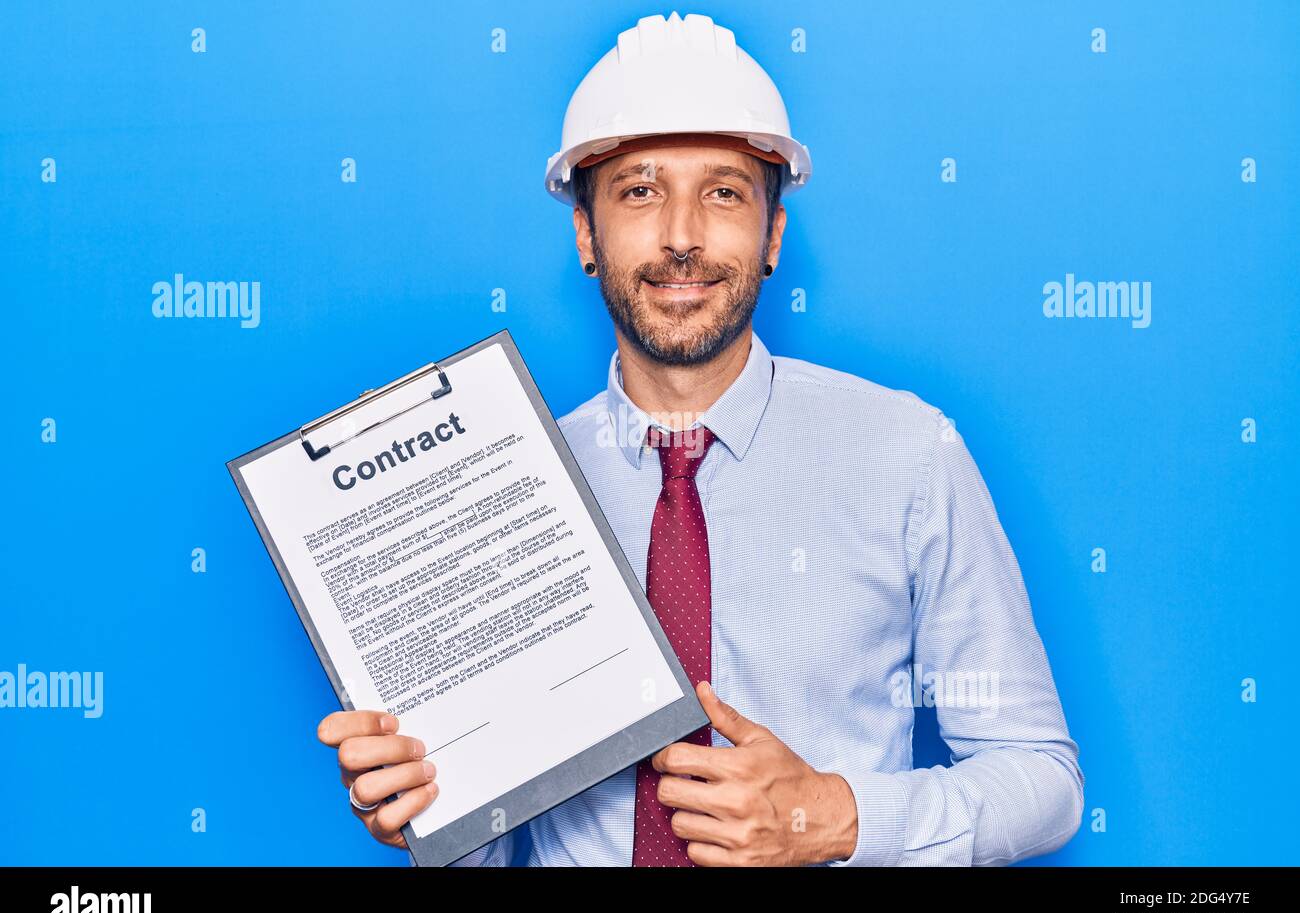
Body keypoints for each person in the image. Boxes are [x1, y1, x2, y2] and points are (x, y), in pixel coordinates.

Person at [316, 11, 1084, 867]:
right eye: (640, 191)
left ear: (773, 236)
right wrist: (433, 808)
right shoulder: (507, 492)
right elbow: (495, 852)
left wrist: (833, 815)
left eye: (723, 191)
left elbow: (1042, 780)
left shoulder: (906, 452)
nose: (682, 236)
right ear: (585, 235)